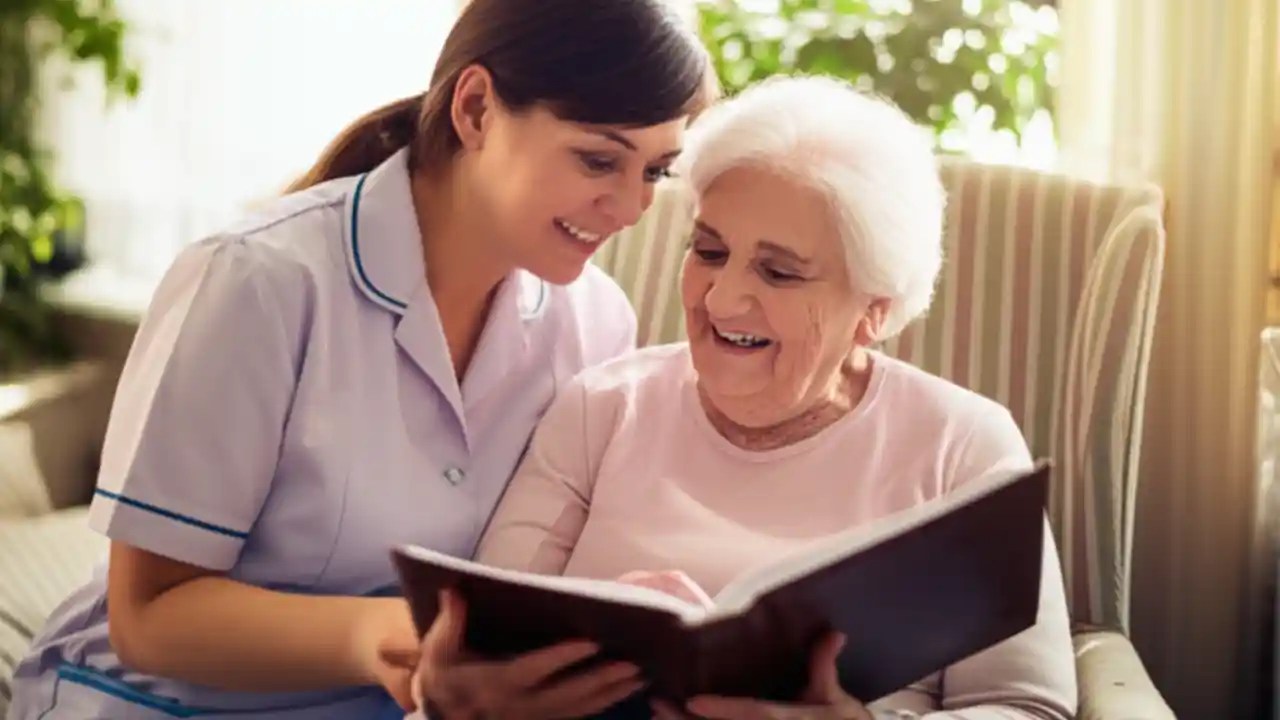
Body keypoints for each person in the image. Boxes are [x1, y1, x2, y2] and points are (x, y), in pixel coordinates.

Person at [6, 1, 714, 717]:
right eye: (599, 160)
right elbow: (148, 616)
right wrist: (391, 636)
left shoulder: (597, 322)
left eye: (656, 171)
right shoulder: (259, 280)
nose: (630, 209)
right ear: (475, 111)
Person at [424, 75, 1079, 719]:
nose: (722, 299)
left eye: (778, 272)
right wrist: (461, 695)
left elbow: (1026, 706)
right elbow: (479, 650)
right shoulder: (602, 407)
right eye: (709, 252)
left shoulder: (964, 447)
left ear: (874, 310)